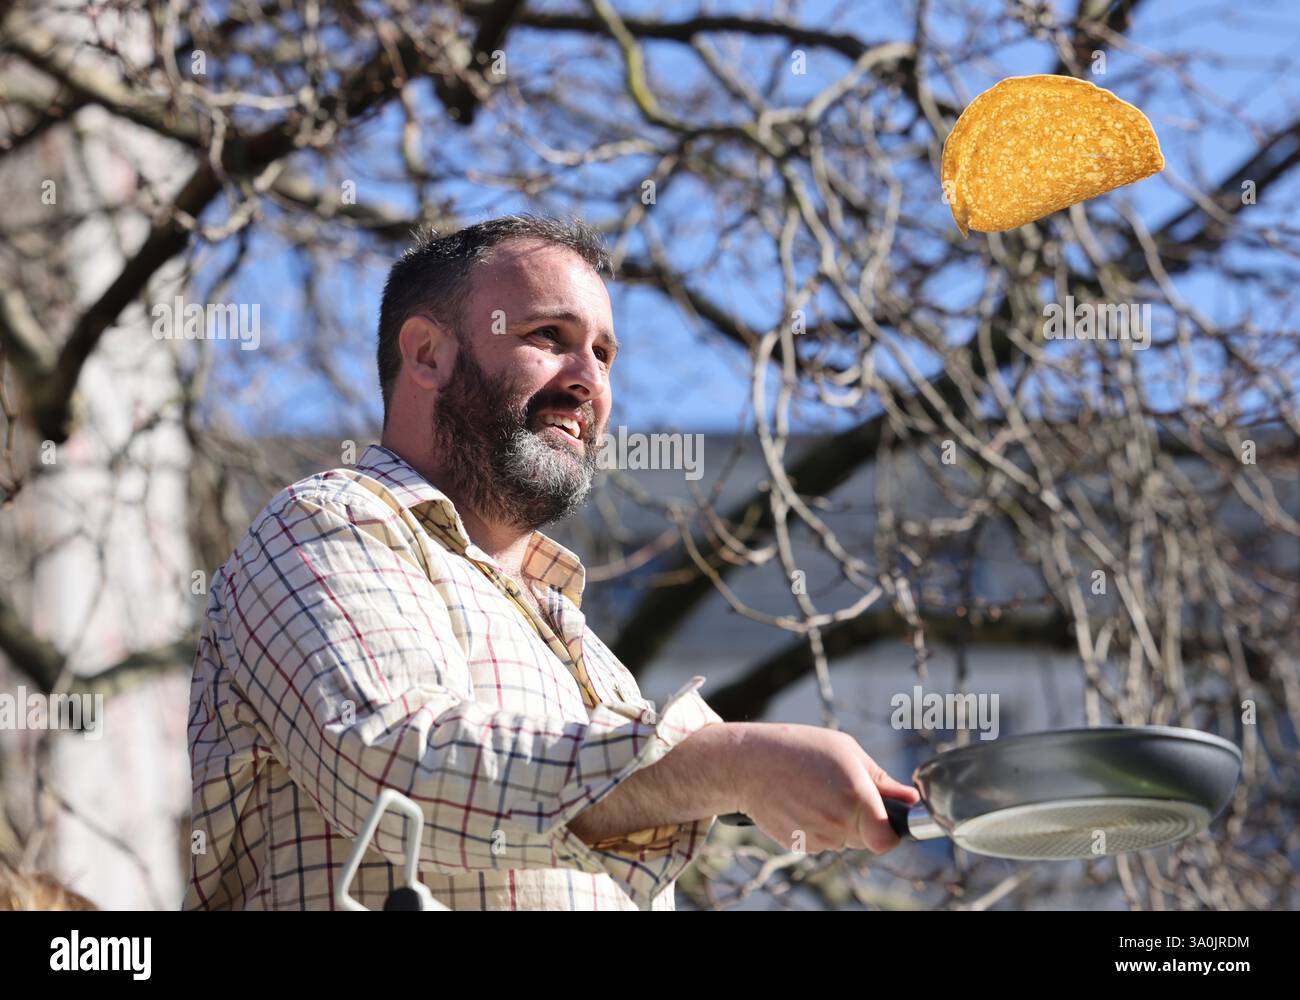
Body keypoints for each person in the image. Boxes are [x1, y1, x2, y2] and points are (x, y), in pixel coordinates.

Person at [183, 215, 919, 911]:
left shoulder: (591, 658)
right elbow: (391, 770)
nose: (588, 380)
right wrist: (732, 763)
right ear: (428, 354)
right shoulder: (330, 520)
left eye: (602, 353)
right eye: (550, 335)